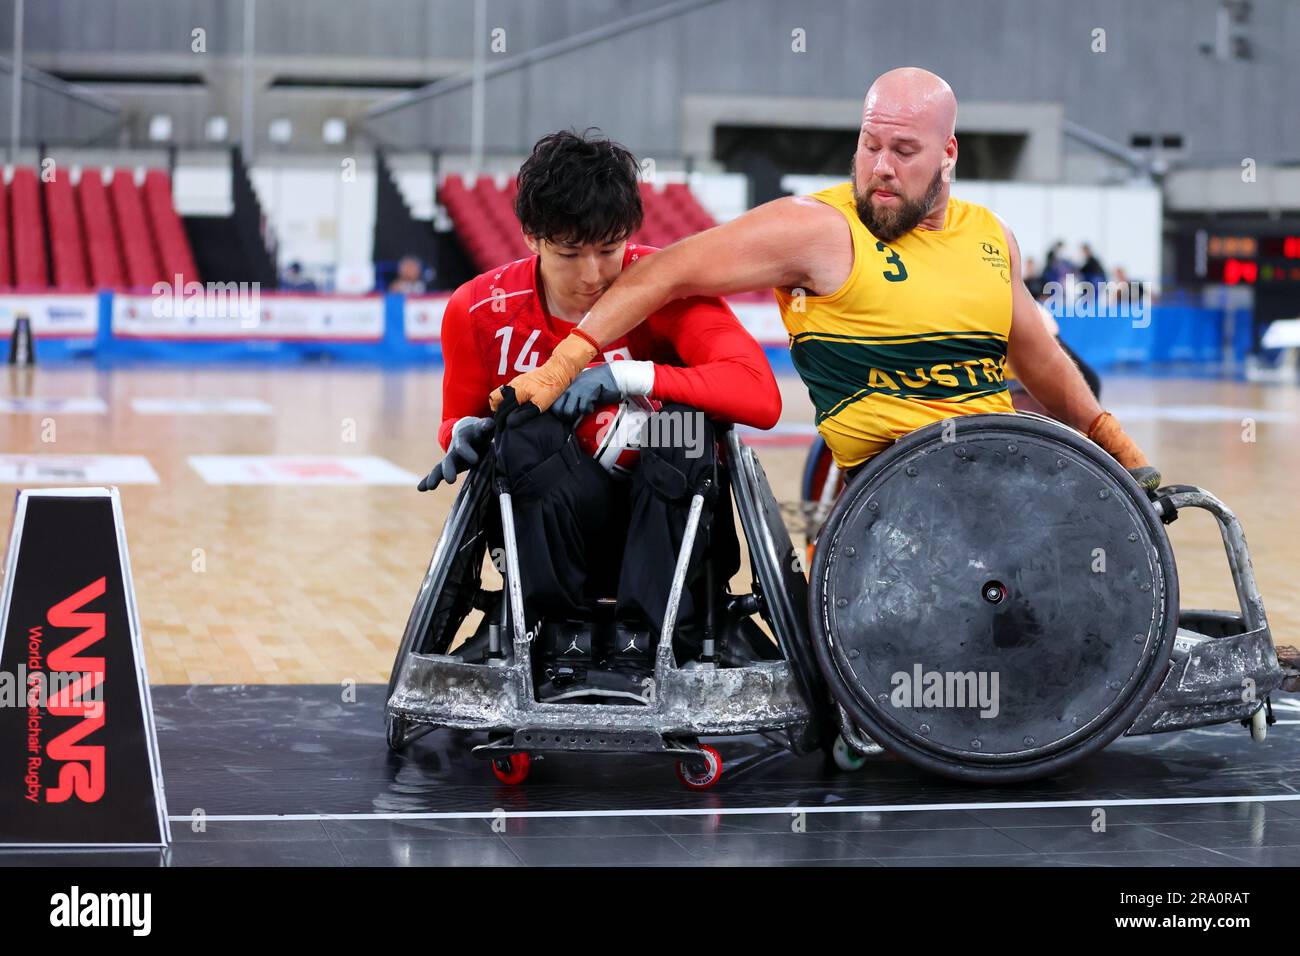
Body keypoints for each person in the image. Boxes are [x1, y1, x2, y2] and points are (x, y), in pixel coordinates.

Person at [491, 68, 1160, 491]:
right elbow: (662, 273)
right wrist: (563, 366)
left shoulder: (992, 238)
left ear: (948, 153)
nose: (882, 166)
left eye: (903, 151)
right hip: (892, 489)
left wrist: (1119, 449)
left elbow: (1040, 361)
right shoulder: (812, 229)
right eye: (870, 145)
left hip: (1000, 469)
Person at [422, 129, 780, 677]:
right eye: (569, 253)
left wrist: (629, 376)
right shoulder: (477, 308)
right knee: (523, 428)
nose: (592, 275)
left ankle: (651, 630)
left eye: (609, 250)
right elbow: (458, 419)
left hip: (668, 520)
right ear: (531, 237)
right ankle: (556, 631)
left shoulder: (664, 287)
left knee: (682, 427)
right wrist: (461, 434)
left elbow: (761, 396)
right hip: (548, 519)